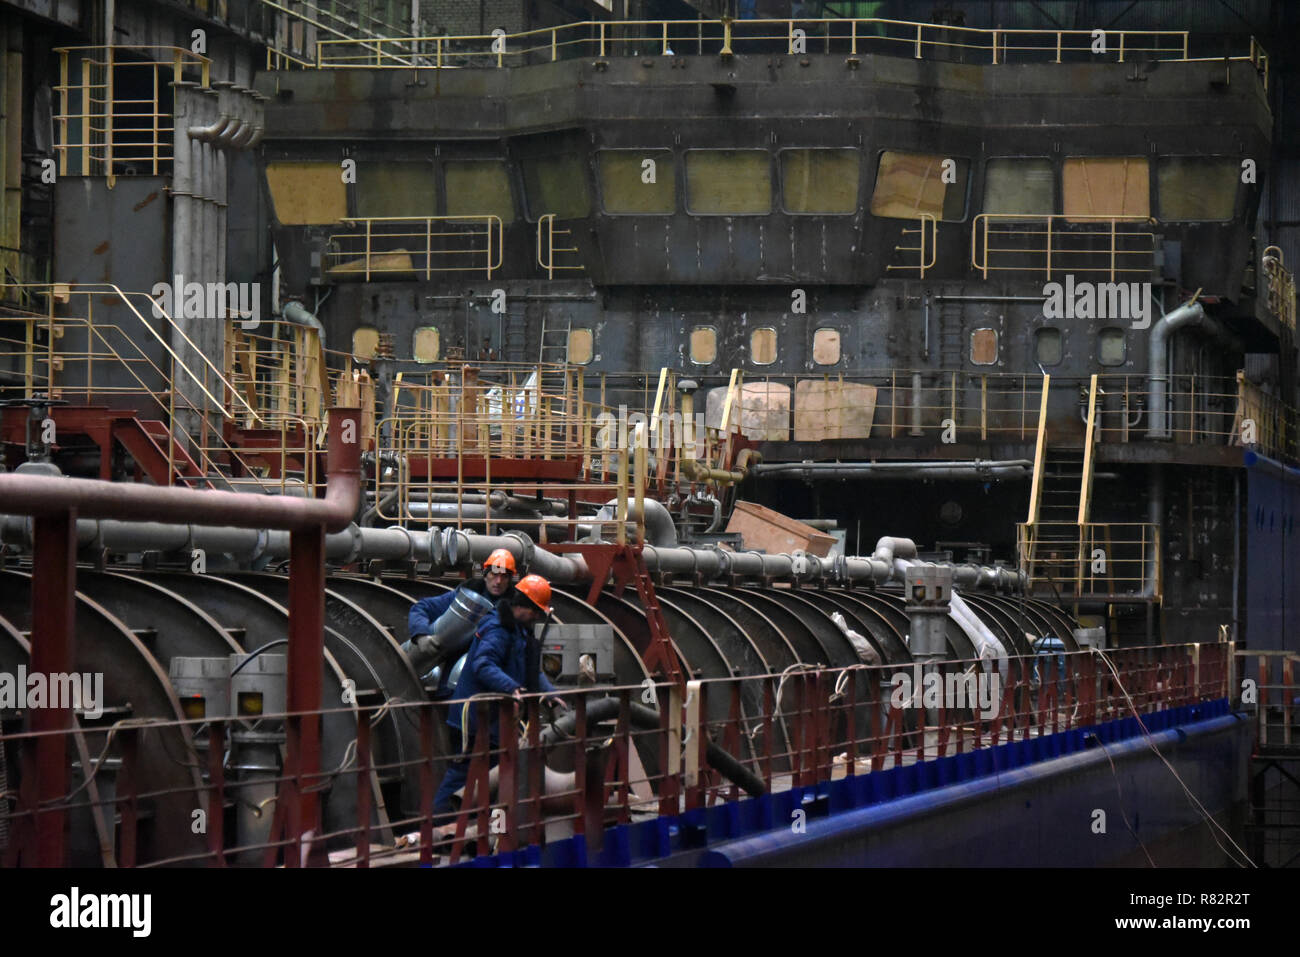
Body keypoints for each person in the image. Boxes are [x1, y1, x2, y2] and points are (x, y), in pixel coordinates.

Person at [433, 574, 559, 815]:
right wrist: (511, 687)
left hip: (493, 722)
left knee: (492, 775)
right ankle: (435, 826)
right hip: (473, 720)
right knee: (461, 775)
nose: (536, 617)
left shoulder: (519, 630)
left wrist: (550, 693)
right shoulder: (498, 628)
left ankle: (478, 828)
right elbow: (484, 664)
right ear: (523, 607)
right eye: (535, 612)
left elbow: (530, 669)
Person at [404, 548, 516, 694]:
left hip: (491, 678)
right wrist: (421, 635)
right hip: (453, 677)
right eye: (494, 574)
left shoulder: (514, 609)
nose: (498, 581)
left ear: (510, 580)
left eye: (504, 576)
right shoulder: (466, 594)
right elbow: (422, 607)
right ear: (485, 575)